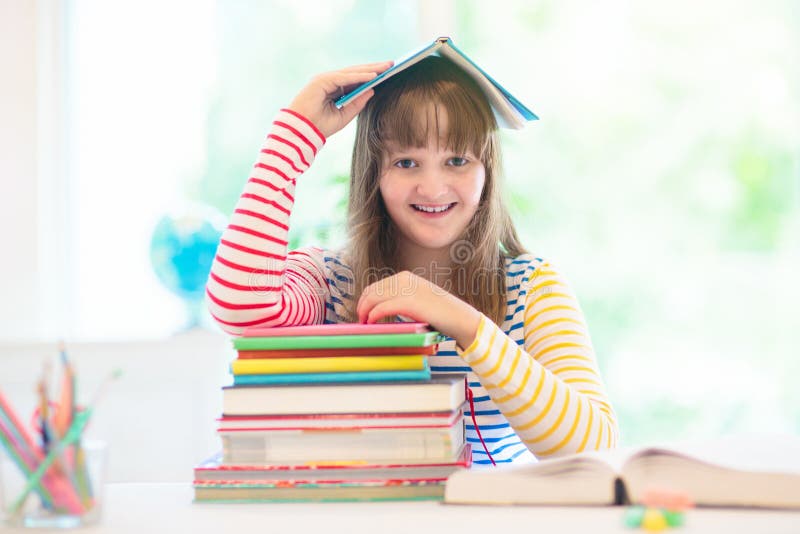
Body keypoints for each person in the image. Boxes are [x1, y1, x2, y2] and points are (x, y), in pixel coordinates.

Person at [206, 56, 619, 465]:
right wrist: (293, 135)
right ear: (375, 173)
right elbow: (239, 307)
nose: (433, 187)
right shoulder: (329, 281)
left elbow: (595, 448)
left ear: (486, 170)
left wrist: (466, 324)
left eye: (457, 161)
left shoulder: (531, 288)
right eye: (406, 163)